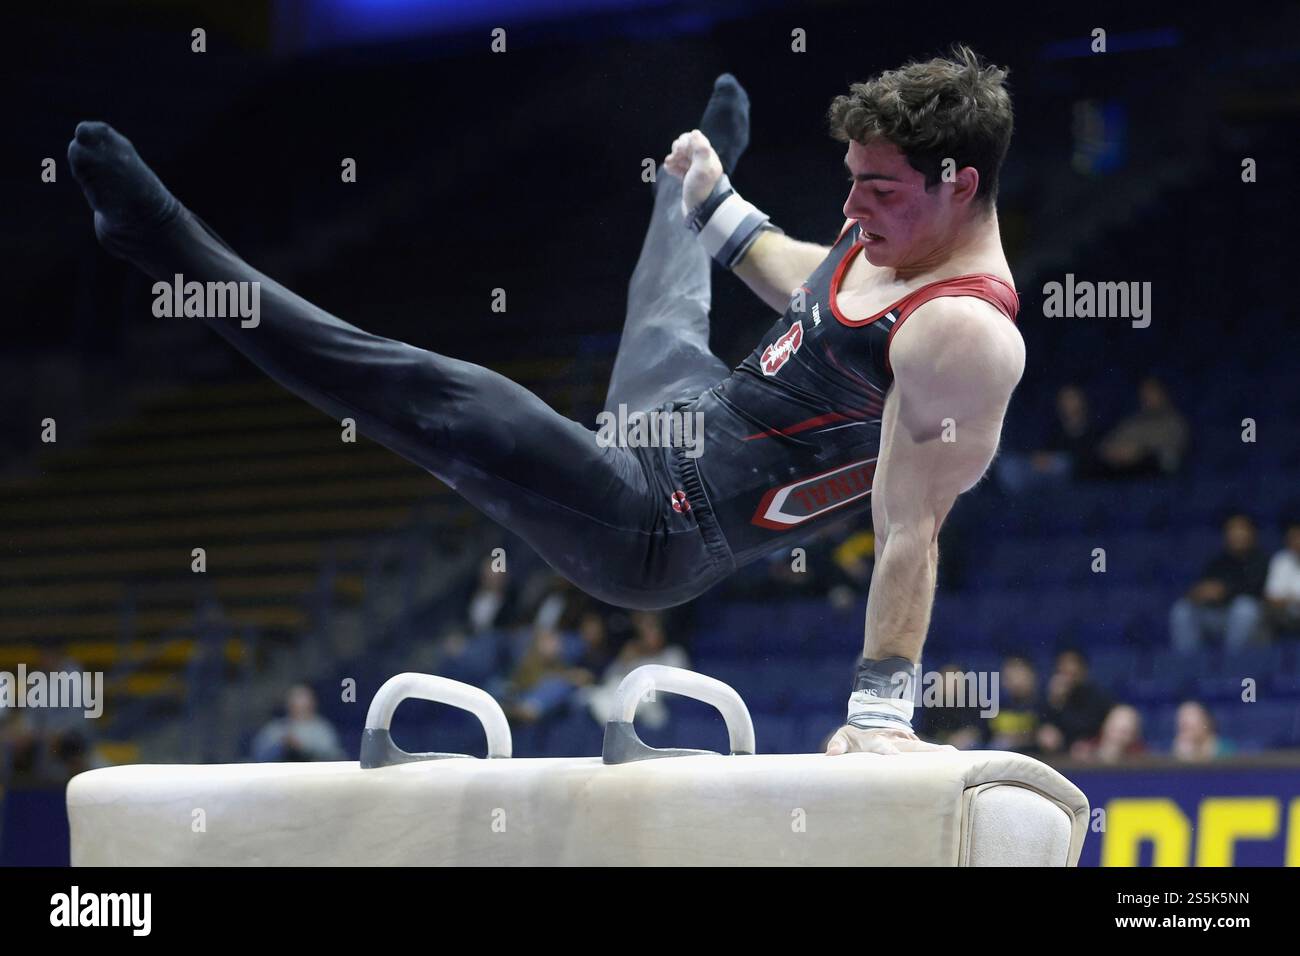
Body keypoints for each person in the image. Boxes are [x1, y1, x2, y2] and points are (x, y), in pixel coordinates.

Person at [69, 47, 1024, 756]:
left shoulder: (964, 338)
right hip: (687, 418)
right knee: (665, 300)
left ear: (961, 185)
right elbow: (819, 291)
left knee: (433, 393)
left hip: (657, 526)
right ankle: (694, 184)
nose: (852, 207)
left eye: (877, 191)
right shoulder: (894, 237)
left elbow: (912, 527)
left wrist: (879, 712)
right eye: (850, 183)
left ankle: (164, 246)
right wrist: (726, 210)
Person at [1169, 513, 1268, 652]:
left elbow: (1258, 591)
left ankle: (1233, 661)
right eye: (1232, 530)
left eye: (1241, 529)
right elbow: (1203, 588)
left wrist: (1225, 591)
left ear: (1252, 533)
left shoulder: (1263, 560)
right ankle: (1189, 665)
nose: (1236, 534)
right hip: (1219, 615)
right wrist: (1200, 593)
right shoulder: (1217, 562)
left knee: (1245, 608)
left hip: (1252, 620)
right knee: (1182, 610)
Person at [1096, 376, 1189, 478]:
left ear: (1164, 394)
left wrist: (1141, 451)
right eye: (1144, 394)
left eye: (1152, 393)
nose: (1147, 398)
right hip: (1123, 475)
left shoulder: (1174, 422)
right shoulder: (1133, 421)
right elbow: (1105, 446)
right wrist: (1115, 451)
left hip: (1156, 478)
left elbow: (1171, 456)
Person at [251, 684, 345, 762]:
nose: (300, 706)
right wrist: (281, 746)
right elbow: (259, 755)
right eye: (295, 701)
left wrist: (301, 747)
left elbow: (334, 756)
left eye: (304, 701)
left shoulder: (322, 729)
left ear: (312, 704)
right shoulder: (275, 728)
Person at [1263, 518, 1300, 637]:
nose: (1298, 541)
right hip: (1286, 615)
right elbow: (1272, 598)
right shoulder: (1281, 560)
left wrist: (1290, 599)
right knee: (1265, 613)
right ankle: (1261, 654)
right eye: (1294, 538)